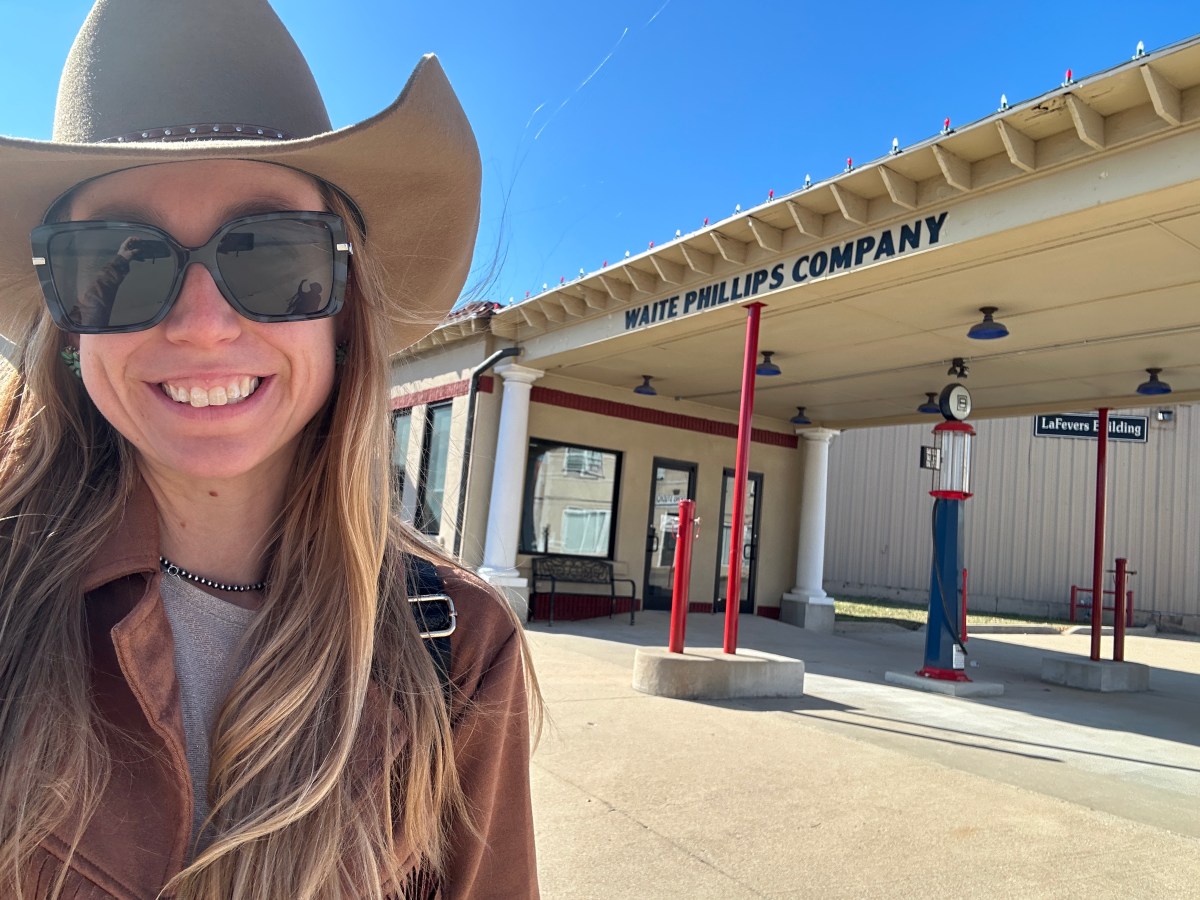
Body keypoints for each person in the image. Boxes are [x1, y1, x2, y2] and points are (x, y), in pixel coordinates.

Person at [0, 1, 539, 898]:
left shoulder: (460, 650)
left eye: (272, 255)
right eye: (118, 261)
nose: (203, 325)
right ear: (69, 324)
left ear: (343, 309)